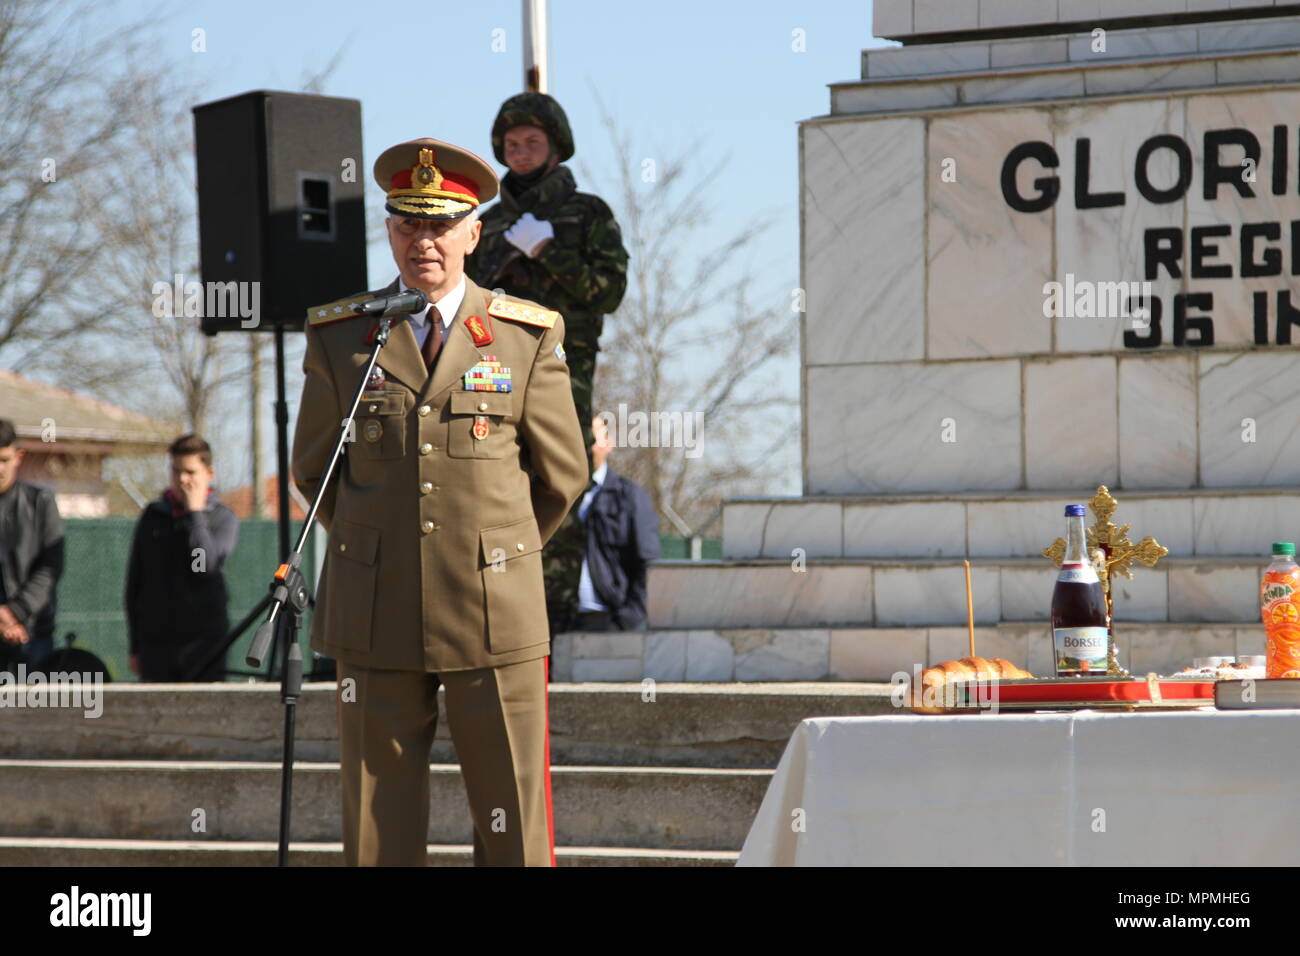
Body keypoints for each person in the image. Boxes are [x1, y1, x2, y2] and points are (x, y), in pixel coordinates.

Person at [291, 137, 588, 867]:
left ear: (473, 232)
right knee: (376, 830)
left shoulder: (523, 336)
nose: (423, 241)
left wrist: (498, 553)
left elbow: (561, 476)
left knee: (512, 826)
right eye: (407, 224)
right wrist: (377, 547)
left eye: (441, 224)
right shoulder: (344, 336)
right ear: (390, 231)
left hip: (494, 608)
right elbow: (315, 471)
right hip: (374, 607)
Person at [466, 92, 629, 635]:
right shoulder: (485, 223)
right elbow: (463, 298)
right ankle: (500, 605)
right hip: (492, 367)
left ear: (556, 146)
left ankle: (555, 615)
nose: (522, 152)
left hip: (565, 365)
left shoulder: (586, 213)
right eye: (511, 144)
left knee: (560, 474)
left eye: (533, 141)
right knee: (493, 473)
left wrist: (548, 252)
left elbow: (609, 292)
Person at [125, 434, 239, 682]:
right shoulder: (153, 516)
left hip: (205, 648)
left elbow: (203, 567)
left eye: (190, 472)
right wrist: (135, 645)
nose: (182, 480)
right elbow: (135, 583)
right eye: (176, 471)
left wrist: (195, 514)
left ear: (209, 473)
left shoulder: (222, 518)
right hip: (156, 649)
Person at [575, 415, 660, 631]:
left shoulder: (628, 496)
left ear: (608, 443)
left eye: (591, 438)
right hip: (552, 620)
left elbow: (648, 563)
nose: (585, 446)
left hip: (607, 620)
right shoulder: (548, 494)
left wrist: (627, 618)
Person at [0, 419, 64, 670]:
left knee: (32, 707)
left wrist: (15, 612)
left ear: (19, 456)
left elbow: (50, 567)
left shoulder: (41, 502)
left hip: (32, 634)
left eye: (4, 460)